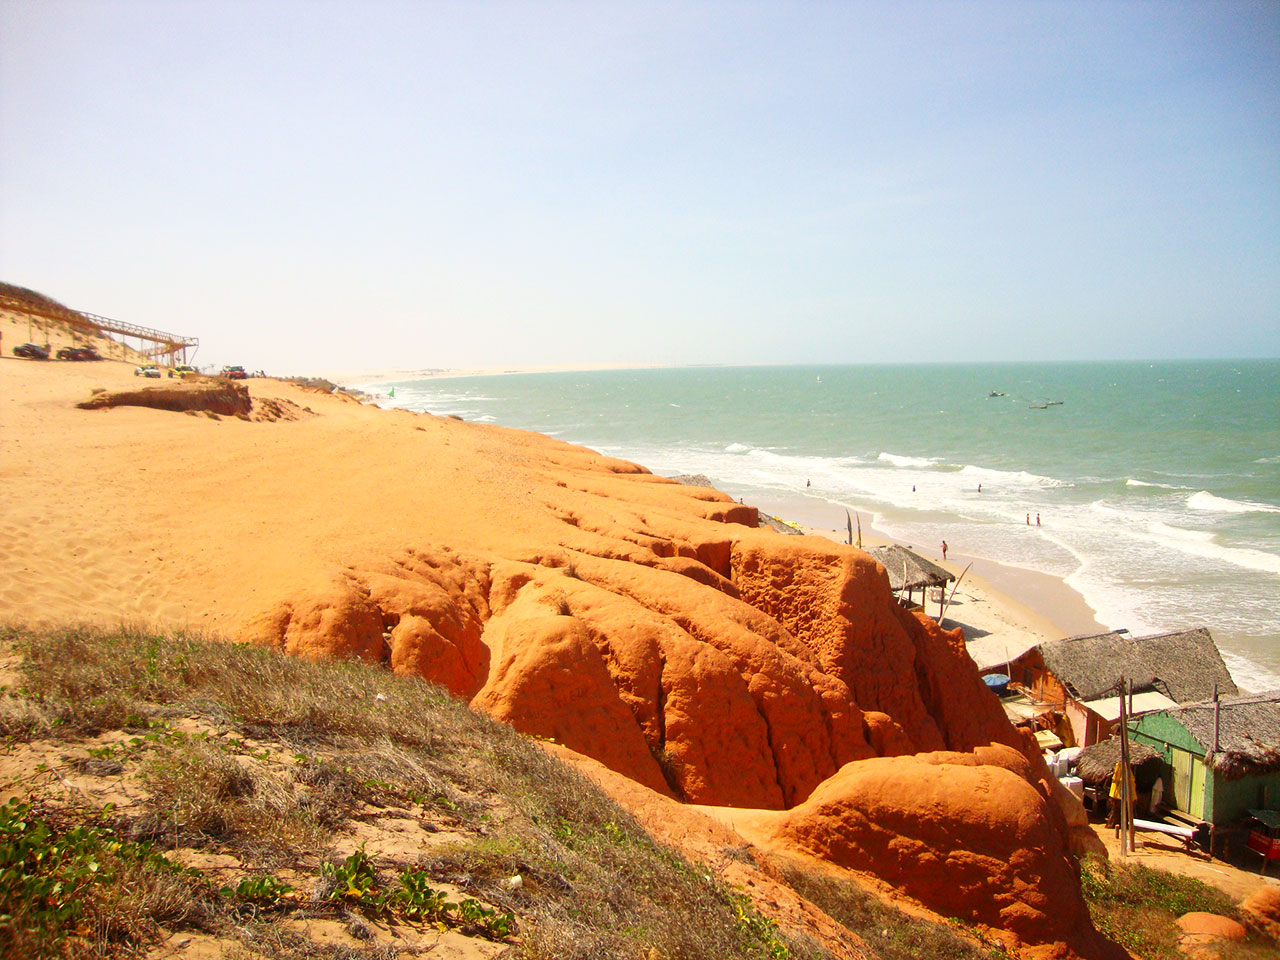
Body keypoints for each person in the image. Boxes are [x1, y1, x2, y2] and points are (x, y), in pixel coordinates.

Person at [1106, 760, 1136, 830]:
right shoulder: (1121, 773)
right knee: (1119, 810)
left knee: (1118, 811)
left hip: (1119, 795)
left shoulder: (1123, 775)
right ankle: (1116, 823)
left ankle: (1116, 823)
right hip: (1119, 796)